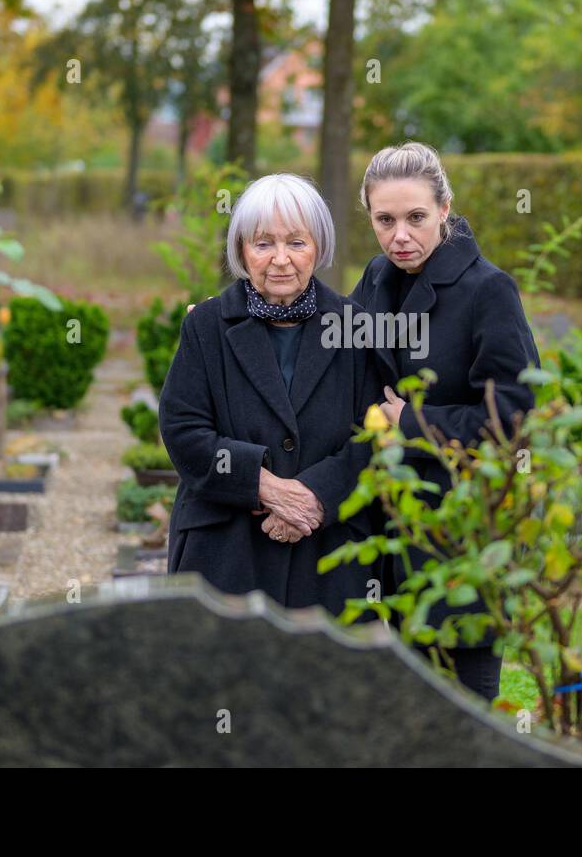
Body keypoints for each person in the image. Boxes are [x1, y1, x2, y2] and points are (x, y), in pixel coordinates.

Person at [349, 141, 540, 701]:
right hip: (395, 522)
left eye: (416, 218)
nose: (400, 235)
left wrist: (414, 423)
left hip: (466, 526)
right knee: (415, 704)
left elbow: (518, 412)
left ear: (445, 210)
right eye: (385, 220)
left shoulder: (488, 290)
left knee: (466, 705)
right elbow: (334, 357)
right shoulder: (376, 280)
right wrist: (223, 322)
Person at [159, 174, 385, 616]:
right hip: (226, 550)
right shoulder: (206, 325)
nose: (280, 260)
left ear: (318, 246)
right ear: (242, 249)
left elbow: (373, 434)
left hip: (330, 550)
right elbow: (183, 430)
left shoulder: (355, 324)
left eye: (296, 243)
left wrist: (314, 495)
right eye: (263, 244)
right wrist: (266, 487)